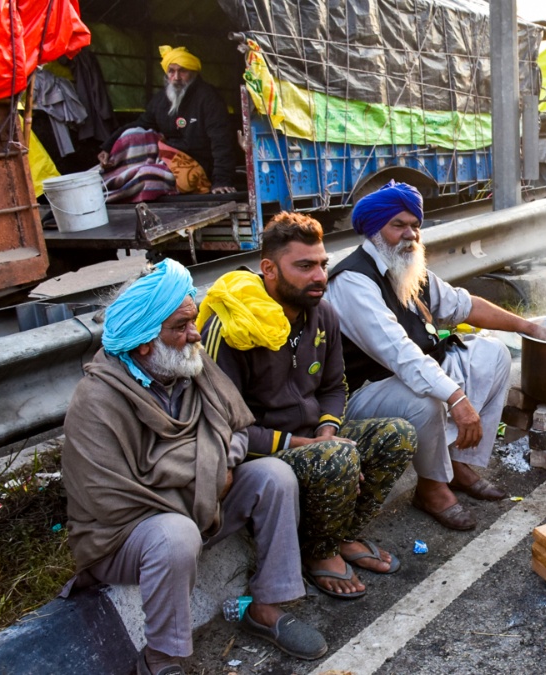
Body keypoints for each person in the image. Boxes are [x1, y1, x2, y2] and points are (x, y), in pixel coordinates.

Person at [60, 259, 326, 675]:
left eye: (193, 321)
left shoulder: (190, 368)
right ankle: (163, 659)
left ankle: (267, 607)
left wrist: (215, 467)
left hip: (201, 504)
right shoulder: (96, 401)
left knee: (274, 476)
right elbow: (107, 500)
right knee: (174, 534)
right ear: (145, 341)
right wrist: (207, 475)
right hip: (126, 536)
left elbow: (236, 432)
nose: (195, 333)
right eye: (181, 326)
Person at [199, 212, 418, 600]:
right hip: (259, 456)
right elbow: (222, 428)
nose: (319, 276)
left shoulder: (323, 314)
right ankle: (319, 554)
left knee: (396, 435)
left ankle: (343, 534)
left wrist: (326, 431)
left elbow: (335, 386)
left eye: (322, 265)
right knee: (334, 458)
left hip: (312, 440)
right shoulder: (234, 325)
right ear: (269, 269)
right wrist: (313, 448)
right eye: (304, 266)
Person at [325, 182, 546, 531]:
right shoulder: (353, 281)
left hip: (405, 376)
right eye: (398, 225)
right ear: (374, 230)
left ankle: (456, 463)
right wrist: (457, 398)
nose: (410, 235)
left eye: (415, 225)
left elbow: (463, 305)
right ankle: (431, 487)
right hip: (364, 394)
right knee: (424, 398)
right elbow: (400, 354)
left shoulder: (406, 267)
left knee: (493, 353)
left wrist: (529, 327)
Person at [98, 45, 236, 195]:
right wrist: (108, 146)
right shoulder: (161, 99)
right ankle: (102, 183)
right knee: (133, 134)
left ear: (193, 72)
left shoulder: (208, 98)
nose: (176, 77)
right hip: (166, 158)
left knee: (145, 177)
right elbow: (140, 124)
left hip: (197, 165)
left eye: (182, 71)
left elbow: (221, 141)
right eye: (172, 71)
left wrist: (222, 181)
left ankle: (111, 190)